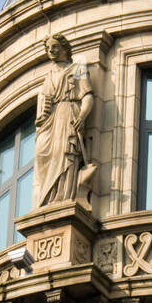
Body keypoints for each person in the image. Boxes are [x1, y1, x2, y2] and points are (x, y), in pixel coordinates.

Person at [34, 34, 96, 207]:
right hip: (50, 122)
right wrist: (41, 115)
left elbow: (88, 96)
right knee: (41, 153)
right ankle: (46, 200)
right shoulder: (49, 74)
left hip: (68, 115)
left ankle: (62, 198)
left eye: (54, 47)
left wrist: (82, 116)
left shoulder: (77, 69)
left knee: (64, 154)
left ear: (64, 48)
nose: (51, 51)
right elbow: (43, 101)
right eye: (48, 48)